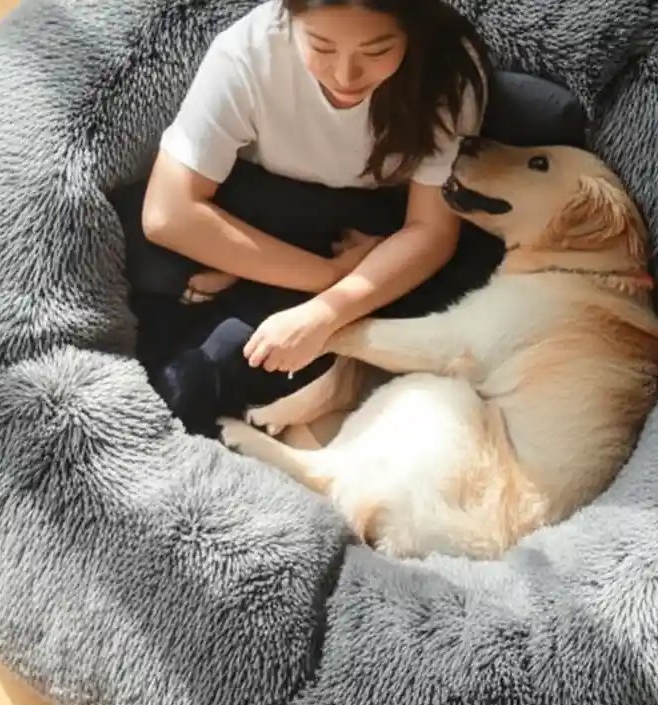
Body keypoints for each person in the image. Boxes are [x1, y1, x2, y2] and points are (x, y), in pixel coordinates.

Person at [129, 0, 496, 437]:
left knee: (202, 376)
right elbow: (167, 213)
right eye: (321, 47)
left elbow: (432, 231)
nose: (345, 75)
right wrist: (329, 278)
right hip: (266, 207)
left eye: (376, 51)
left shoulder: (447, 72)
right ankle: (254, 283)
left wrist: (324, 315)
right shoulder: (249, 54)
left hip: (364, 221)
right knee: (148, 258)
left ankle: (253, 291)